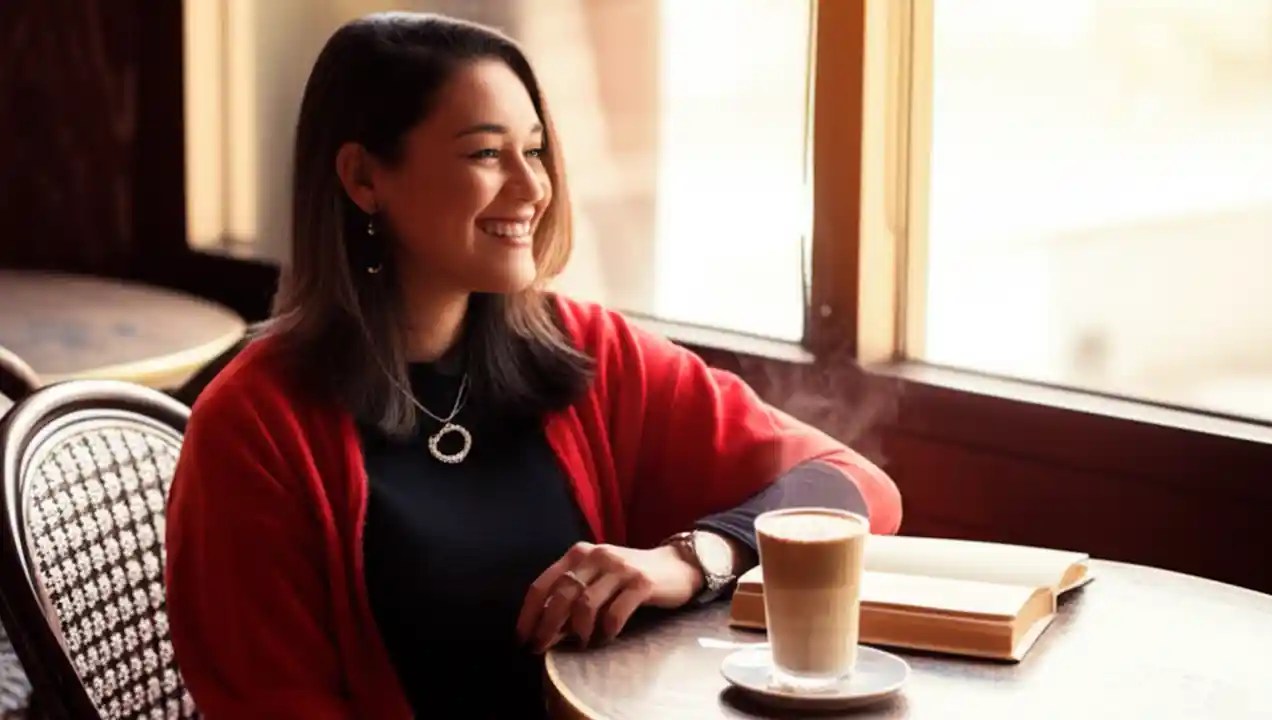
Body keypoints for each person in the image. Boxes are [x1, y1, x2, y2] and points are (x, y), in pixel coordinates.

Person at [164, 12, 902, 720]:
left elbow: (851, 489)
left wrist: (692, 559)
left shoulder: (587, 352)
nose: (533, 187)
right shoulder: (252, 426)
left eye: (536, 149)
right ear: (364, 178)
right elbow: (276, 704)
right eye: (487, 153)